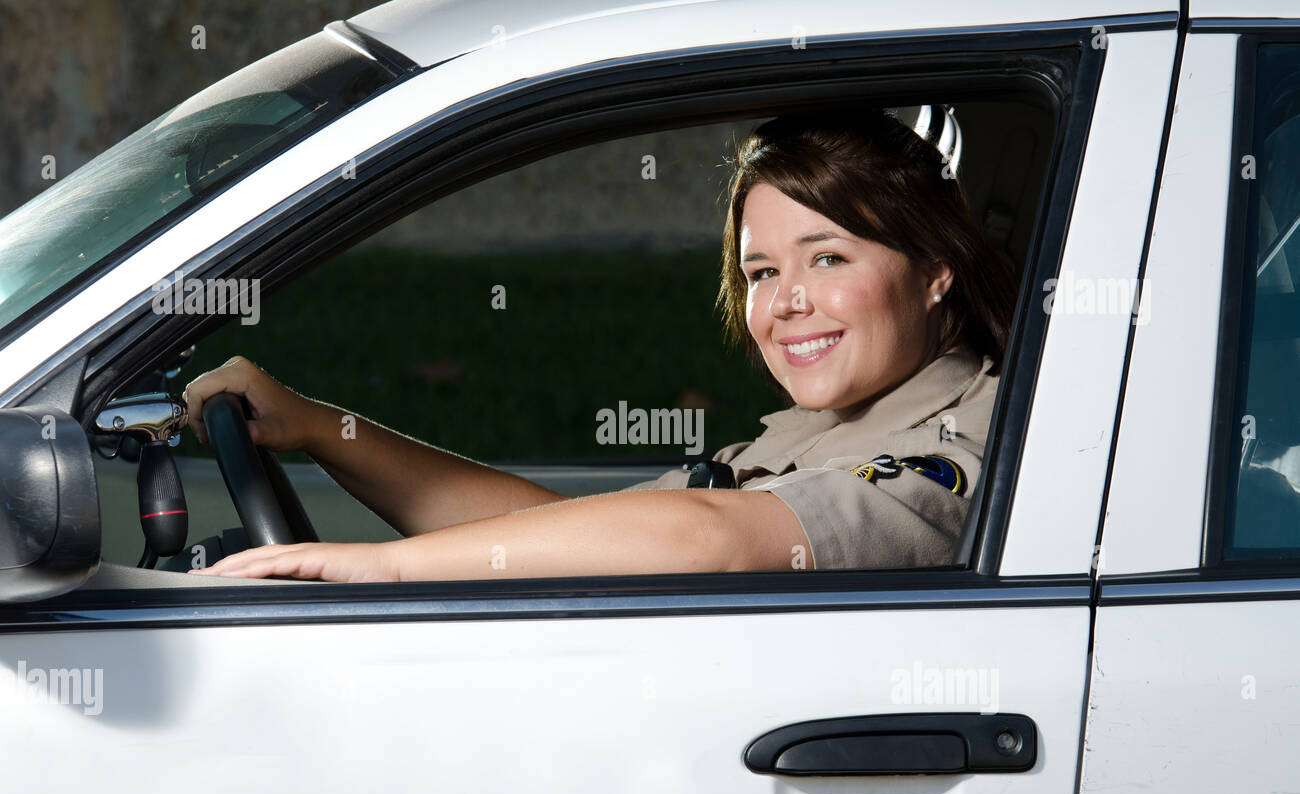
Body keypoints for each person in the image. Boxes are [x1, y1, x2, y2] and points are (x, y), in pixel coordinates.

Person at [185, 109, 1016, 582]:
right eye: (761, 270)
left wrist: (383, 571)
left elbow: (710, 539)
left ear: (935, 270)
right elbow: (562, 531)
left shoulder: (963, 449)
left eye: (828, 257)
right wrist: (318, 427)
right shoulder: (822, 431)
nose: (786, 302)